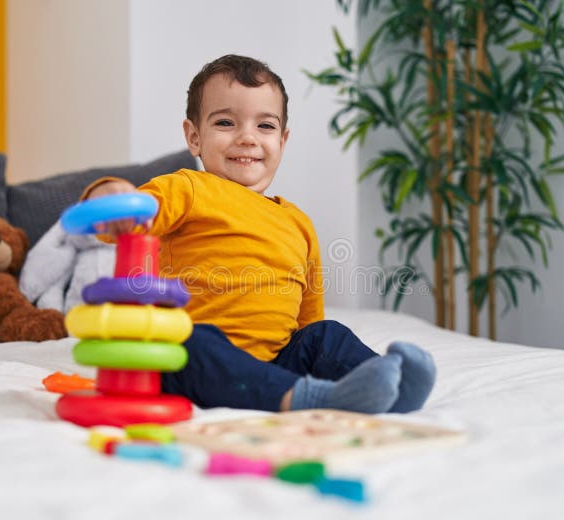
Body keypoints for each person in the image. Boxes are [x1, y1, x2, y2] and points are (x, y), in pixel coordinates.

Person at [80, 54, 436, 413]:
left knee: (324, 336)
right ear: (194, 137)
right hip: (196, 365)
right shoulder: (187, 189)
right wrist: (110, 195)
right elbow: (130, 216)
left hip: (277, 364)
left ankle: (389, 386)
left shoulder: (298, 222)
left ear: (283, 140)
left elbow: (307, 320)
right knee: (192, 340)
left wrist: (316, 352)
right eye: (225, 122)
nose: (247, 138)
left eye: (264, 127)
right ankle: (311, 397)